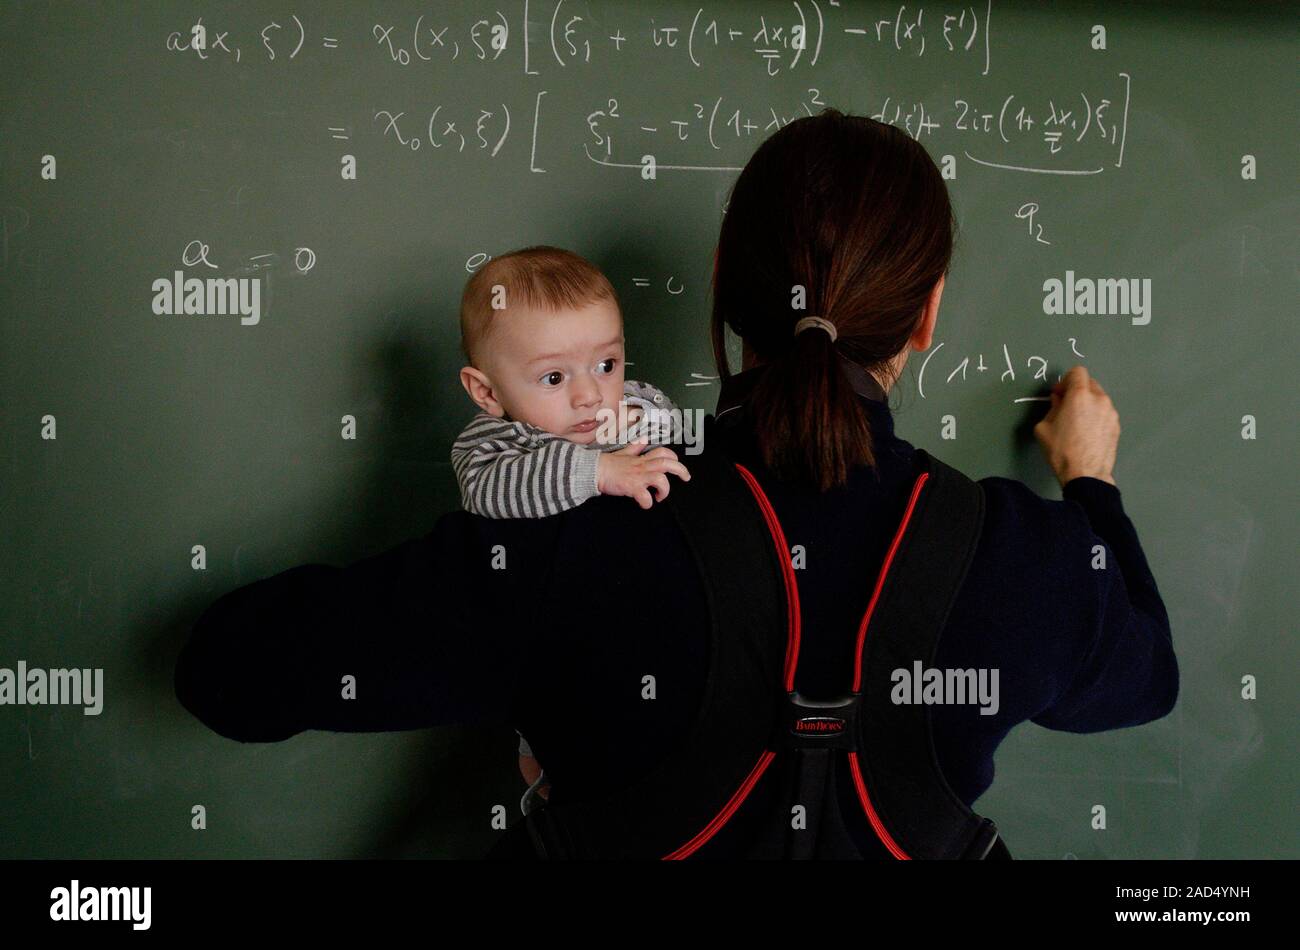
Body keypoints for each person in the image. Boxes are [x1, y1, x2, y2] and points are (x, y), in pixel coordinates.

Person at [172, 108, 1177, 859]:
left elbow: (226, 671)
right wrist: (1089, 486)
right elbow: (1145, 679)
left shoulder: (576, 529)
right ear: (927, 315)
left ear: (720, 282)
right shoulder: (1032, 561)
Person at [450, 244, 692, 813]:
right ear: (487, 392)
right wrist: (600, 469)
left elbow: (669, 424)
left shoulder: (625, 408)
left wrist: (651, 425)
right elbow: (492, 490)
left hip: (644, 632)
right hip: (553, 647)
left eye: (607, 365)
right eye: (554, 376)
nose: (589, 395)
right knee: (557, 748)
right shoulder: (492, 446)